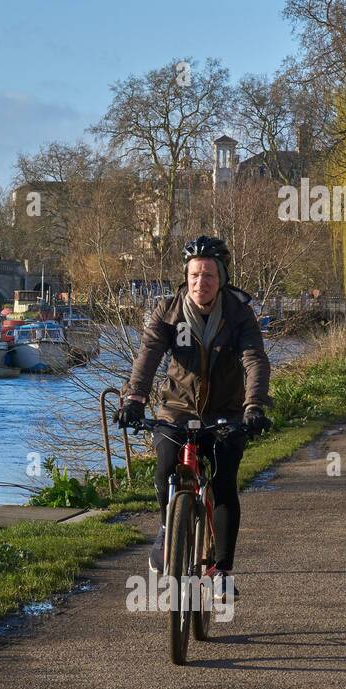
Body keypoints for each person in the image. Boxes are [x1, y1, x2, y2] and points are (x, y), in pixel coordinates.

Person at [112, 236, 272, 601]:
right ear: (186, 277)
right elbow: (149, 353)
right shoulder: (168, 311)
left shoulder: (238, 313)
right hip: (177, 409)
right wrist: (135, 397)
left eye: (210, 275)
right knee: (165, 466)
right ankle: (169, 527)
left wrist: (254, 406)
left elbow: (254, 360)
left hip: (226, 413)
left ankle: (221, 570)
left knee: (225, 482)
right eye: (195, 274)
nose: (202, 282)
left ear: (223, 278)